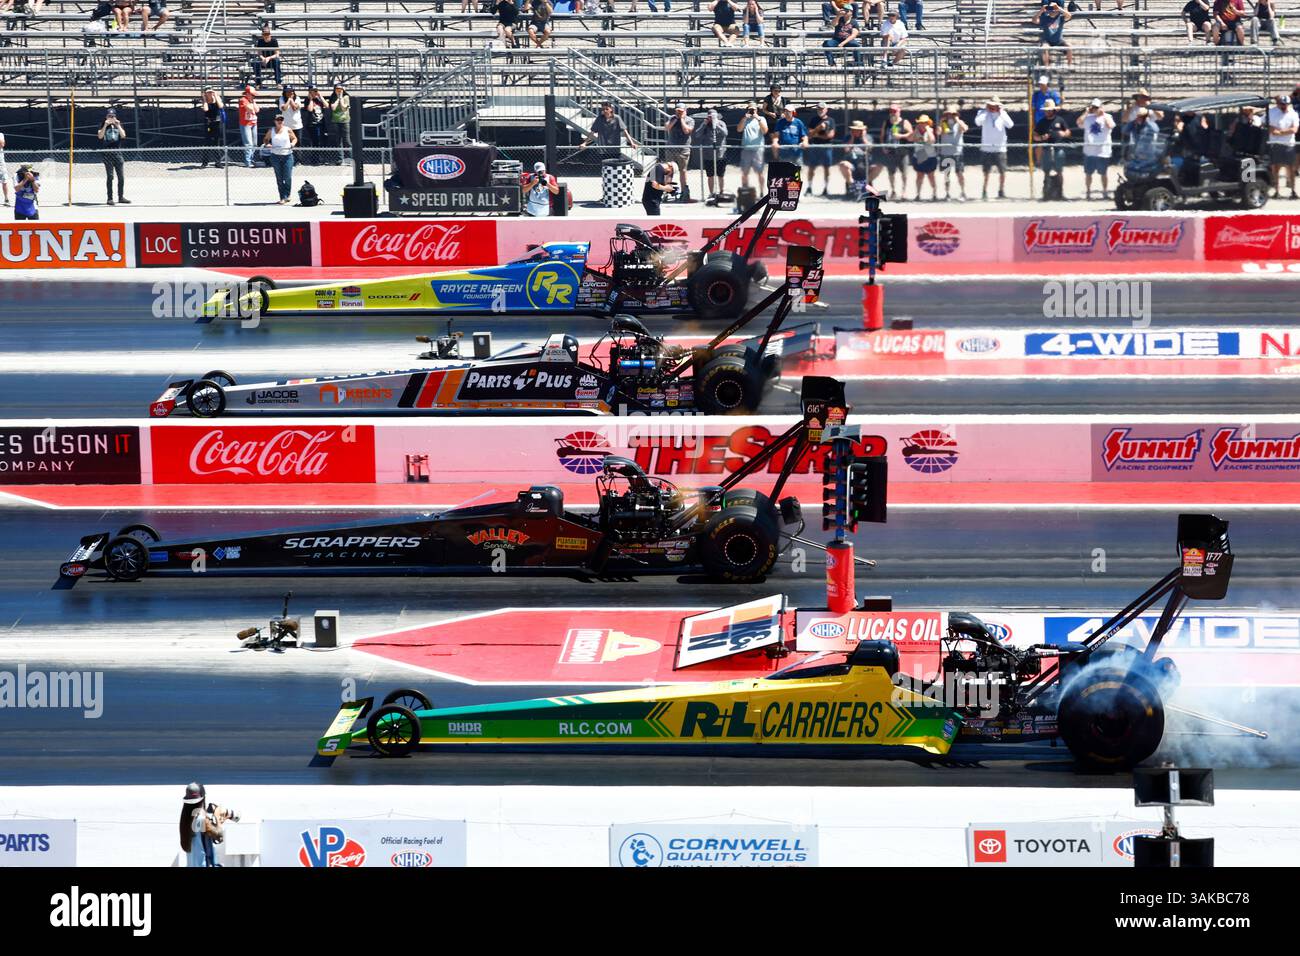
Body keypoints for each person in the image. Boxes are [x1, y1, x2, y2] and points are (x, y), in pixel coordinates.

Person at [179, 783, 236, 868]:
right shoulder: (200, 820)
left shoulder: (187, 820)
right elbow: (219, 836)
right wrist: (217, 817)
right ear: (203, 798)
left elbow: (202, 831)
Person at [975, 95, 1013, 200]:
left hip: (1000, 148)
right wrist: (986, 111)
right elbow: (978, 122)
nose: (993, 107)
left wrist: (1001, 113)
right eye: (991, 105)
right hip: (987, 148)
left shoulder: (1003, 114)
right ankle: (984, 191)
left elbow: (1010, 125)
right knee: (986, 172)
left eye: (995, 105)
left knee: (1002, 171)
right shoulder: (982, 113)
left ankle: (1001, 191)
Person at [1078, 97, 1115, 199]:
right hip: (1090, 151)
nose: (1095, 109)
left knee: (1103, 173)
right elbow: (1079, 122)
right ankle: (1088, 192)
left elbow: (1111, 125)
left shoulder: (1108, 116)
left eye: (1097, 107)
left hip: (1103, 151)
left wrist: (1103, 115)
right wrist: (1086, 112)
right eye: (1093, 107)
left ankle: (1104, 192)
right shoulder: (1088, 118)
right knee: (1088, 173)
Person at [1033, 101, 1070, 200]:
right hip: (1046, 149)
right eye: (1046, 110)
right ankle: (1046, 193)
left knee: (1059, 171)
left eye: (1049, 110)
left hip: (1058, 149)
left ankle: (1060, 193)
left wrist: (1063, 133)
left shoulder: (1060, 120)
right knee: (1046, 171)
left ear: (1053, 110)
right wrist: (1041, 138)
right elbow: (1035, 136)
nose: (1048, 112)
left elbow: (1068, 132)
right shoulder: (1042, 122)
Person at [261, 112, 297, 204]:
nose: (280, 121)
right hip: (275, 156)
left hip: (287, 155)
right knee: (279, 178)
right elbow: (265, 139)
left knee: (287, 177)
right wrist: (268, 144)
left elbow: (294, 138)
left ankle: (288, 195)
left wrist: (292, 144)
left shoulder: (287, 129)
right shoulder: (271, 130)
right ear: (275, 121)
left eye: (281, 120)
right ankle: (282, 197)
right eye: (278, 120)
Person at [1267, 93, 1298, 199]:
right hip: (1275, 145)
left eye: (1286, 104)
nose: (1284, 106)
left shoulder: (1293, 114)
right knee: (1275, 169)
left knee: (1291, 169)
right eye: (1282, 104)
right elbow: (1269, 127)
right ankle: (1277, 191)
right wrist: (1284, 131)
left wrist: (1280, 132)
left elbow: (1294, 129)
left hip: (1289, 145)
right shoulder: (1271, 112)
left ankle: (1293, 191)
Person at [693, 108, 729, 198]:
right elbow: (697, 134)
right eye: (710, 116)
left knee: (721, 175)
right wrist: (704, 124)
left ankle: (721, 192)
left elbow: (725, 133)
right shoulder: (705, 124)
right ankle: (711, 193)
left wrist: (716, 125)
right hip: (708, 155)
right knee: (710, 175)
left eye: (714, 116)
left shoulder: (721, 123)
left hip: (720, 154)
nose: (712, 118)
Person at [877, 103, 911, 197]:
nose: (893, 113)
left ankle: (904, 191)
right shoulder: (886, 122)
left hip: (902, 151)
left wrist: (901, 136)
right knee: (891, 173)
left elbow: (911, 134)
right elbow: (882, 136)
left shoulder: (904, 122)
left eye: (894, 111)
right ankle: (893, 190)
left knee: (904, 173)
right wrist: (883, 147)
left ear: (899, 112)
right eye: (891, 111)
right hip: (890, 151)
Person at [97, 107, 128, 205]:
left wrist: (118, 125)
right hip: (107, 153)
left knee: (121, 177)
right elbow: (100, 136)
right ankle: (109, 198)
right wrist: (105, 125)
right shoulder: (102, 124)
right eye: (109, 116)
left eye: (113, 116)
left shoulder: (119, 124)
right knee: (110, 177)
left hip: (117, 153)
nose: (111, 118)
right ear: (106, 116)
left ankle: (121, 197)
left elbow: (123, 136)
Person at [936, 106, 968, 200]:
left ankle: (963, 192)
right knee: (947, 174)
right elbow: (938, 133)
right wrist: (941, 122)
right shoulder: (943, 124)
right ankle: (947, 193)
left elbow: (965, 128)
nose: (950, 116)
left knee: (959, 173)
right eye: (948, 114)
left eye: (952, 114)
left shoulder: (959, 123)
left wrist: (957, 120)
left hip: (957, 152)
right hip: (946, 152)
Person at [806, 102, 837, 196]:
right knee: (811, 168)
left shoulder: (831, 120)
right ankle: (809, 187)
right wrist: (819, 128)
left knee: (827, 168)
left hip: (827, 147)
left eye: (822, 109)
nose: (820, 110)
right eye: (819, 109)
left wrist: (816, 134)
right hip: (815, 146)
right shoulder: (813, 120)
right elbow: (809, 134)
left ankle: (826, 188)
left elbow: (830, 135)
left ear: (826, 110)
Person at [736, 102, 768, 190]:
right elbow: (739, 129)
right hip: (746, 149)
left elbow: (765, 131)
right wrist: (744, 118)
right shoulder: (745, 119)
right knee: (744, 172)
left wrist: (757, 119)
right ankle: (745, 191)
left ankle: (761, 191)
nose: (752, 111)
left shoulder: (761, 118)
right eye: (750, 109)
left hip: (758, 150)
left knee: (760, 172)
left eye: (753, 109)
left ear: (757, 110)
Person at [837, 119, 872, 198]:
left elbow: (870, 148)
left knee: (878, 167)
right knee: (843, 165)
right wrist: (852, 138)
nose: (856, 131)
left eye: (858, 130)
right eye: (854, 130)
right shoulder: (847, 137)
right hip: (852, 163)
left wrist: (863, 137)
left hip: (864, 164)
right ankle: (853, 187)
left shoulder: (868, 137)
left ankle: (865, 186)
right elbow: (846, 150)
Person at [908, 114, 938, 199]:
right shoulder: (916, 131)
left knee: (931, 176)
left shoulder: (931, 130)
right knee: (919, 176)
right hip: (919, 155)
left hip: (930, 155)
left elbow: (932, 140)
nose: (923, 124)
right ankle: (918, 194)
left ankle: (934, 193)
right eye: (921, 122)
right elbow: (910, 139)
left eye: (925, 122)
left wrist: (928, 130)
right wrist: (915, 131)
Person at [664, 103, 694, 183]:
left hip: (683, 150)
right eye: (677, 111)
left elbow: (686, 131)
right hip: (671, 148)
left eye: (681, 111)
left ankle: (684, 191)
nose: (678, 113)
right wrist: (676, 119)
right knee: (669, 169)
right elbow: (667, 128)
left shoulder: (690, 120)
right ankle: (667, 189)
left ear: (685, 111)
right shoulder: (672, 118)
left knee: (683, 171)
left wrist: (681, 119)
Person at [197, 88, 225, 168]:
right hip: (208, 122)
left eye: (211, 92)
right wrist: (205, 99)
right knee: (207, 142)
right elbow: (206, 109)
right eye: (208, 92)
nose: (210, 93)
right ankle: (205, 162)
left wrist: (216, 96)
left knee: (216, 142)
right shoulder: (204, 100)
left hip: (216, 122)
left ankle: (218, 162)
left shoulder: (216, 98)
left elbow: (221, 106)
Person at [1038, 1, 1072, 66]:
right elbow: (1034, 20)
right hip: (1047, 41)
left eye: (1054, 10)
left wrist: (1059, 8)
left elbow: (1069, 16)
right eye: (1051, 10)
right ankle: (1046, 67)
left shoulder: (1061, 18)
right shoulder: (1045, 18)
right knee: (1044, 48)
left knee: (1069, 46)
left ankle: (1069, 66)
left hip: (1059, 40)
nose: (1052, 11)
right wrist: (1041, 10)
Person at [302, 87, 326, 163]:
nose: (315, 93)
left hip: (321, 123)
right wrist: (311, 99)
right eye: (313, 91)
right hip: (312, 124)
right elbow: (310, 109)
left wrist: (320, 96)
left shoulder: (320, 99)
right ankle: (314, 158)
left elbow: (327, 105)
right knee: (314, 141)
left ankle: (320, 157)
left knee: (322, 141)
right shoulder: (307, 100)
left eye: (316, 91)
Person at [329, 84, 352, 164]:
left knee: (347, 140)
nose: (339, 91)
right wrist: (338, 99)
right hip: (336, 121)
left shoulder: (346, 97)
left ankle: (349, 158)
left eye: (340, 89)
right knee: (338, 141)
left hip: (345, 120)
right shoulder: (333, 97)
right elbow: (333, 108)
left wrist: (341, 97)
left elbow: (343, 107)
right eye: (337, 89)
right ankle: (340, 159)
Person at [237, 85, 258, 167]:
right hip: (246, 124)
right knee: (248, 143)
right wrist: (252, 105)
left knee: (255, 143)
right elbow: (250, 109)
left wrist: (252, 103)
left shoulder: (252, 101)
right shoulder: (243, 100)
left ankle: (252, 158)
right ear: (247, 94)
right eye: (252, 95)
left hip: (254, 123)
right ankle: (247, 161)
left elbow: (257, 110)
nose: (253, 96)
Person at [0, 131, 7, 207]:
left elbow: (2, 144)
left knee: (4, 182)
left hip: (1, 164)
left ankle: (6, 198)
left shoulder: (1, 135)